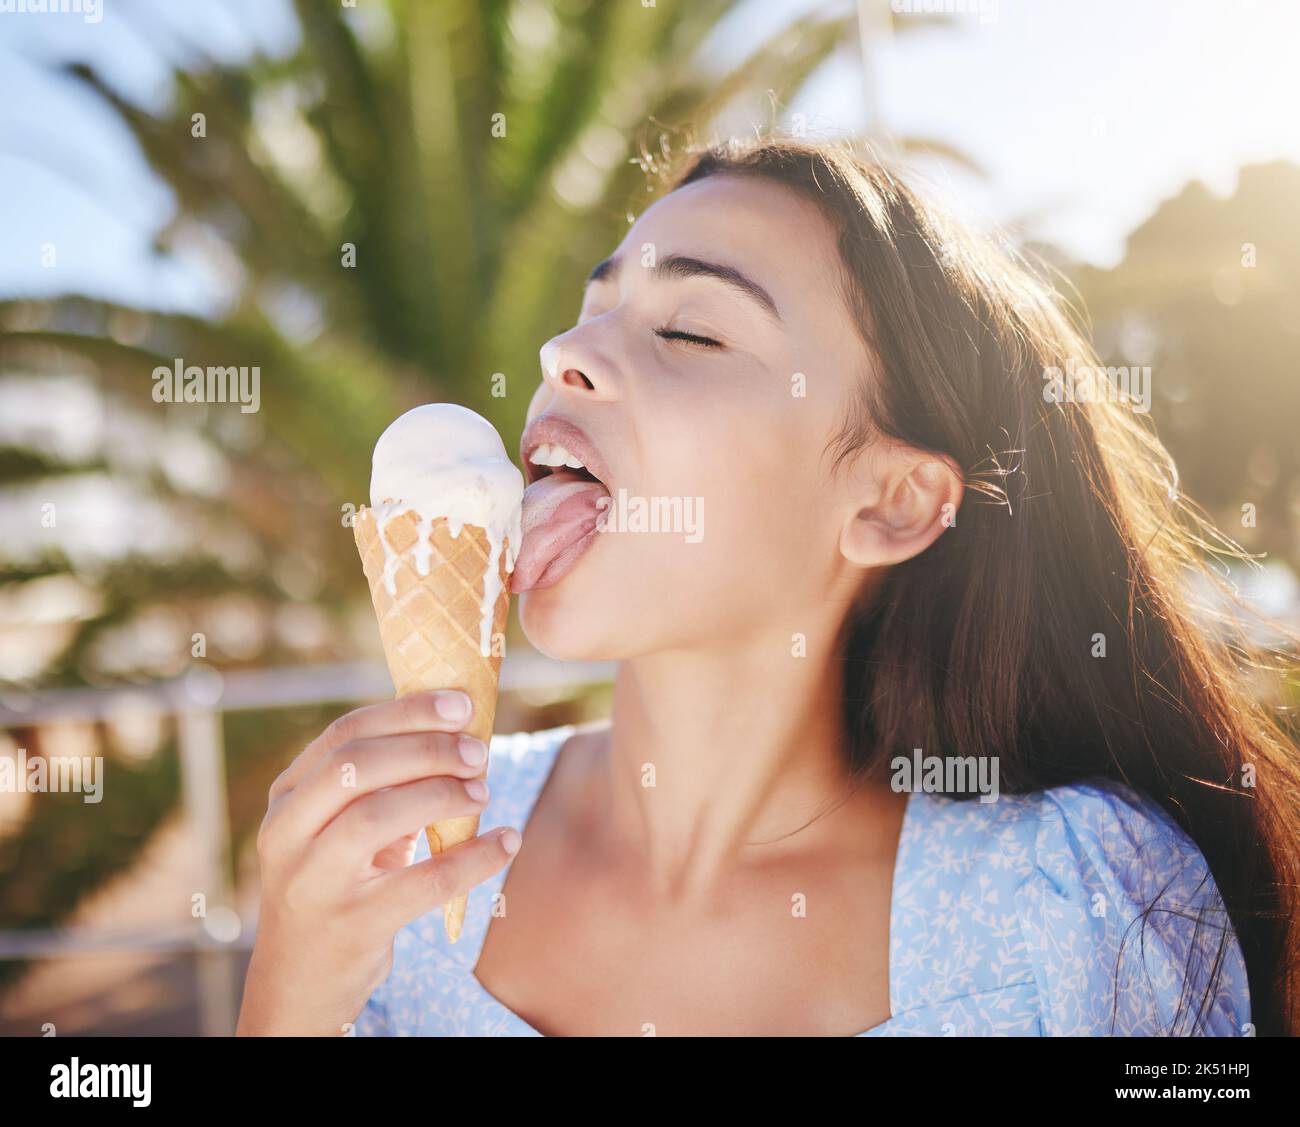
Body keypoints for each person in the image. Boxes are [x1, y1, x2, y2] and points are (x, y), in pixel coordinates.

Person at [236, 134, 1298, 1037]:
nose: (564, 349)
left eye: (692, 330)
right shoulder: (401, 864)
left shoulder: (1074, 912)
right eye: (592, 307)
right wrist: (284, 996)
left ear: (889, 501)